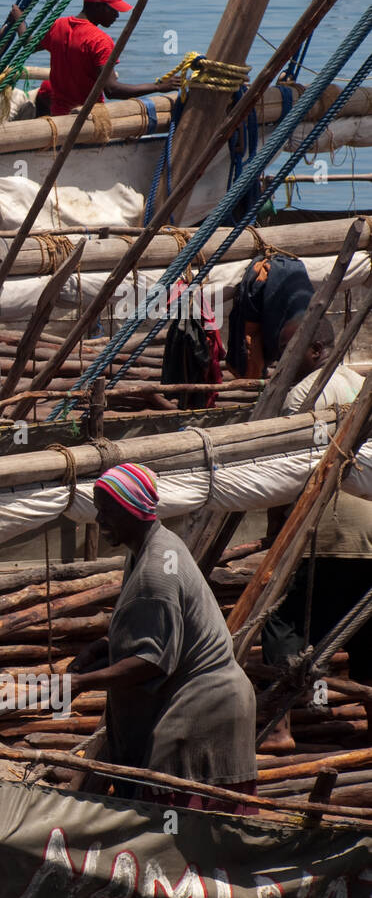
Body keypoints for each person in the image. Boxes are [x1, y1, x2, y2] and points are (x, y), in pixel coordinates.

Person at [69, 463, 258, 811]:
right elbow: (164, 634)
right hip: (200, 698)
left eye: (107, 510)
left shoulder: (157, 570)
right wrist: (105, 647)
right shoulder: (149, 550)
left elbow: (152, 662)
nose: (99, 519)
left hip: (205, 705)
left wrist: (81, 682)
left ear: (132, 509)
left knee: (178, 816)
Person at [260, 318, 372, 750]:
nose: (280, 362)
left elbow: (288, 471)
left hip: (325, 533)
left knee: (282, 624)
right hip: (367, 537)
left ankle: (280, 728)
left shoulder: (302, 396)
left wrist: (277, 532)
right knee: (365, 633)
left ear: (315, 351)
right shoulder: (361, 388)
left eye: (290, 352)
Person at [11, 0, 177, 117]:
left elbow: (28, 44)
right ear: (97, 6)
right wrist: (158, 87)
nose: (117, 16)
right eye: (113, 9)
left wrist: (19, 19)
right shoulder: (100, 41)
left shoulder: (59, 26)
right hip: (88, 120)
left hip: (58, 116)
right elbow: (112, 89)